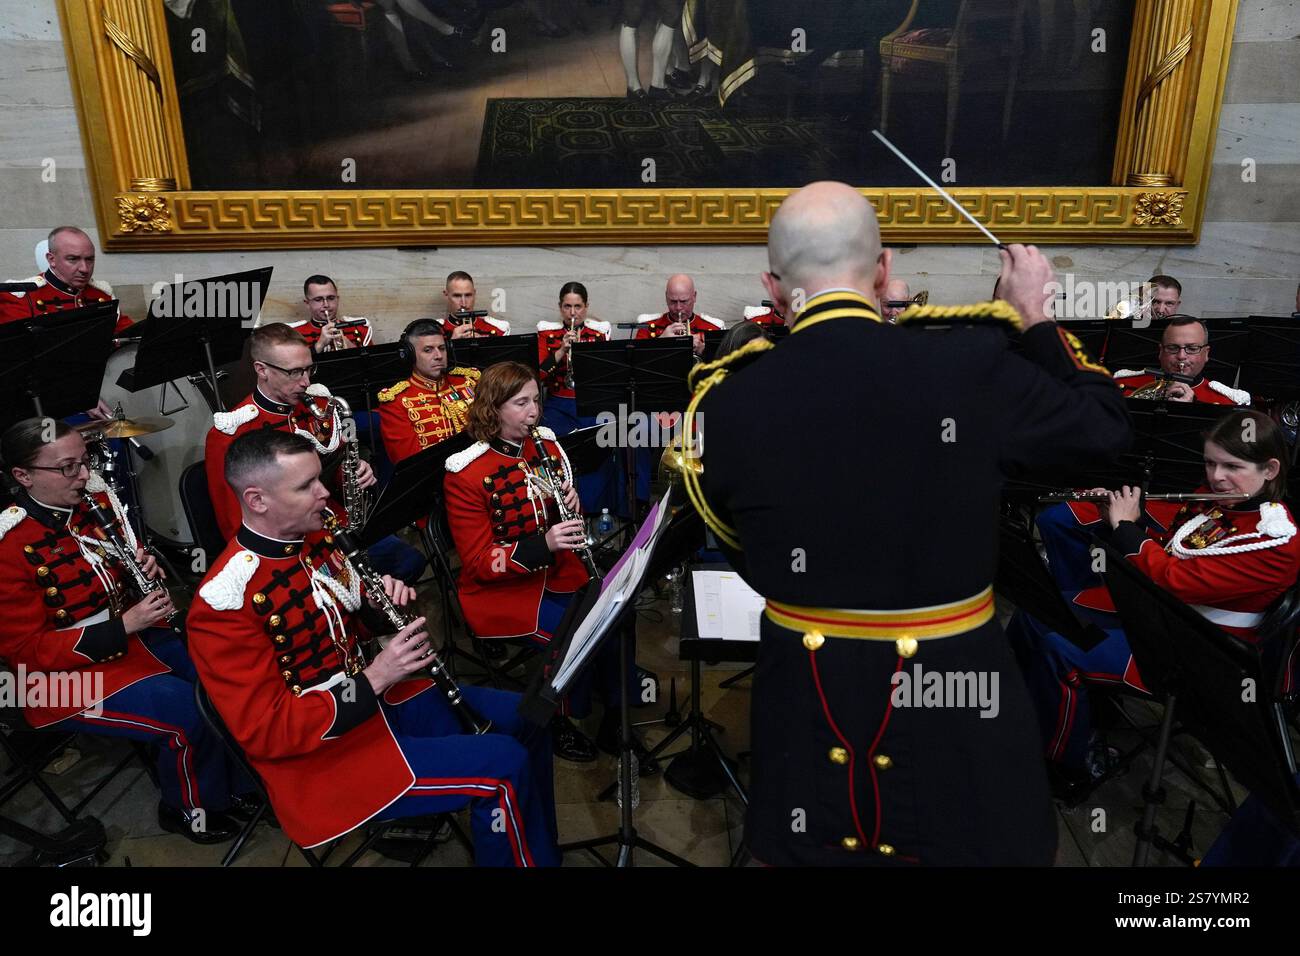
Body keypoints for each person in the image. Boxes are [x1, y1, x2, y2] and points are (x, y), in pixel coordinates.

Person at [688, 181, 1130, 866]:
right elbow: (1103, 432)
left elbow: (744, 547)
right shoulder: (970, 364)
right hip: (959, 695)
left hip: (805, 697)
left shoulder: (723, 400)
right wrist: (1036, 317)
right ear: (885, 268)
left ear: (774, 286)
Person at [186, 428, 559, 865]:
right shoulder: (224, 602)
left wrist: (380, 603)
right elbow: (270, 732)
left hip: (378, 706)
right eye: (306, 486)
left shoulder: (316, 540)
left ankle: (536, 851)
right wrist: (378, 674)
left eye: (319, 478)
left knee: (531, 714)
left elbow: (344, 623)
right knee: (504, 766)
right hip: (322, 760)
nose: (325, 492)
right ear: (257, 500)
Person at [1009, 409, 1299, 786]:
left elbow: (1173, 579)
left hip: (1194, 652)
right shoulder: (1221, 501)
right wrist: (1121, 509)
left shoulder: (1274, 541)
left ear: (1271, 470)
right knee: (1038, 612)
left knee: (1060, 652)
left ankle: (1066, 764)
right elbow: (1179, 539)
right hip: (1156, 616)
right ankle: (1031, 709)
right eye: (1210, 463)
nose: (1216, 477)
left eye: (1232, 466)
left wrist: (1127, 526)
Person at [0, 419, 248, 844]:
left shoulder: (90, 503)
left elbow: (100, 577)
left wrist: (138, 571)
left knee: (222, 678)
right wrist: (125, 625)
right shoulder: (8, 546)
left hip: (126, 637)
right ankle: (190, 809)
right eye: (67, 468)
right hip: (47, 680)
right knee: (185, 714)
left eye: (84, 461)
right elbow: (26, 653)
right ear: (23, 477)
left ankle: (240, 786)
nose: (83, 475)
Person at [443, 362, 656, 768]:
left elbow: (550, 500)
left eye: (536, 401)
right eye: (520, 403)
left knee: (618, 614)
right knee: (574, 633)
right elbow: (476, 562)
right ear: (493, 409)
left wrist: (570, 500)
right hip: (504, 590)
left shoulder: (546, 444)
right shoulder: (466, 474)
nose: (533, 412)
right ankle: (556, 722)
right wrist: (545, 543)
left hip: (560, 571)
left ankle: (617, 718)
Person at [202, 324, 424, 582]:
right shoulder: (231, 433)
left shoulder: (318, 405)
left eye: (309, 369)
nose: (306, 382)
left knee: (410, 562)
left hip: (335, 522)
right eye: (295, 372)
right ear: (261, 370)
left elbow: (336, 468)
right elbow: (234, 523)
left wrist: (354, 471)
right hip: (290, 544)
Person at [377, 319, 479, 465]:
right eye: (428, 350)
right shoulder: (396, 401)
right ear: (409, 355)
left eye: (442, 348)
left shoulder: (469, 381)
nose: (438, 355)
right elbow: (411, 465)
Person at [0, 227, 133, 335]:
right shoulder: (21, 297)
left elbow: (129, 335)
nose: (84, 269)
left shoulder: (102, 294)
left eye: (89, 259)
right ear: (51, 260)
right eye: (73, 259)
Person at [1112, 316, 1249, 404]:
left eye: (1192, 348)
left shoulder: (1226, 402)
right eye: (1172, 347)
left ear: (1206, 353)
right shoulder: (1120, 386)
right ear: (1161, 351)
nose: (1182, 356)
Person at [634, 274, 722, 355]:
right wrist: (660, 342)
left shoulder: (713, 328)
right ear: (666, 297)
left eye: (684, 301)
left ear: (694, 297)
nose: (678, 307)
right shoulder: (647, 327)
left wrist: (703, 350)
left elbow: (725, 366)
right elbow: (635, 359)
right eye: (673, 301)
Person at [290, 274, 373, 353]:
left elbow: (374, 364)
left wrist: (352, 348)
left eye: (331, 298)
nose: (326, 305)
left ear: (337, 299)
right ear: (307, 303)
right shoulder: (295, 334)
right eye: (318, 299)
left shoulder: (359, 328)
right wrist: (319, 346)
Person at [440, 271, 510, 339]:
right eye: (457, 296)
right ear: (446, 295)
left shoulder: (498, 329)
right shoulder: (436, 331)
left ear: (474, 293)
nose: (463, 304)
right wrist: (452, 342)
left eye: (468, 295)